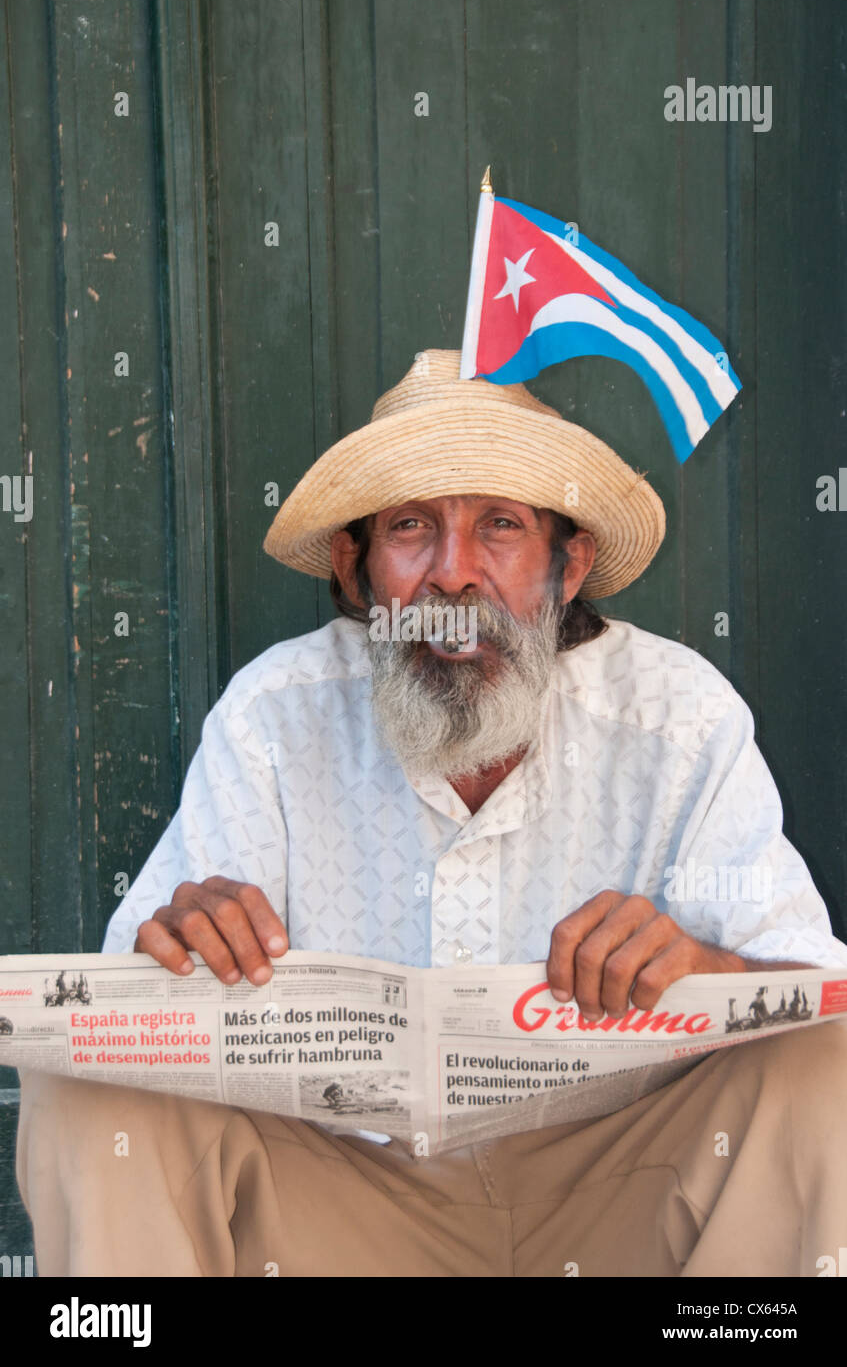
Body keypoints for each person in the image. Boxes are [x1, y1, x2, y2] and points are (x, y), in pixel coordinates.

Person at [16, 349, 847, 1277]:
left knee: (826, 1063)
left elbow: (813, 990)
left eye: (499, 526)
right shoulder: (275, 714)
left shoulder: (676, 716)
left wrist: (708, 967)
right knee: (92, 1080)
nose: (453, 577)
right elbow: (128, 1011)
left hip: (616, 1196)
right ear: (357, 568)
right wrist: (174, 950)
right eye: (412, 527)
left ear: (566, 567)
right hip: (341, 1212)